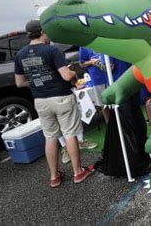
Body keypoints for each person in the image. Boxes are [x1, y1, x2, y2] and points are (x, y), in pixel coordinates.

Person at [14, 20, 93, 188]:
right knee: (70, 133)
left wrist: (36, 82)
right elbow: (65, 76)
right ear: (42, 32)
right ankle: (78, 172)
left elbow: (20, 83)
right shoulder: (52, 50)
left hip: (40, 100)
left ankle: (54, 177)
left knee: (50, 137)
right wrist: (72, 72)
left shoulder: (20, 54)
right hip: (61, 97)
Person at [79, 47, 110, 123]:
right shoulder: (84, 46)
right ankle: (110, 125)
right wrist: (91, 62)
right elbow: (81, 64)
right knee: (104, 104)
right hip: (97, 79)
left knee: (117, 102)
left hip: (111, 76)